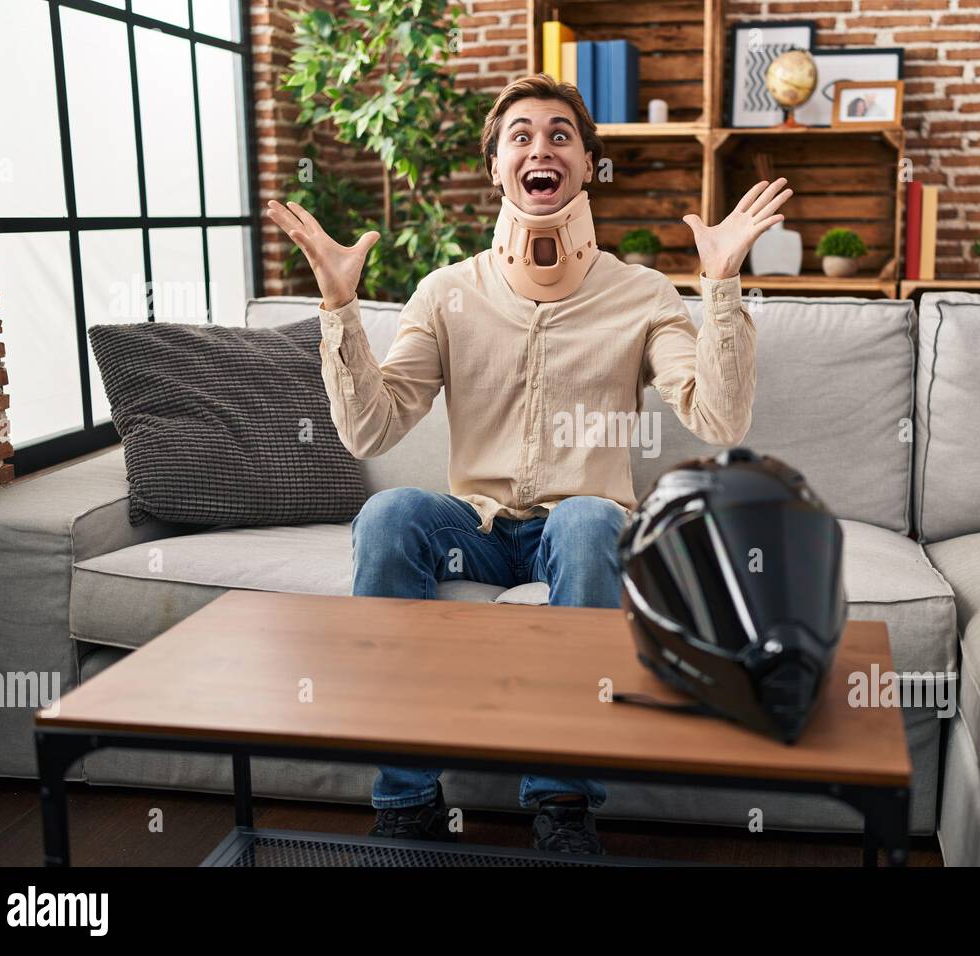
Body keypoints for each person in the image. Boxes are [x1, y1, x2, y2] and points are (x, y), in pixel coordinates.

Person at [266, 73, 791, 855]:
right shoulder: (445, 293)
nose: (539, 147)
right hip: (472, 525)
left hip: (583, 523)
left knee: (585, 520)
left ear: (585, 166)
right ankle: (405, 803)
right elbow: (371, 431)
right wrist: (340, 309)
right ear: (496, 167)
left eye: (559, 135)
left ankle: (563, 804)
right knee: (389, 511)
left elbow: (718, 416)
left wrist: (719, 288)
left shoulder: (641, 293)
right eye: (520, 135)